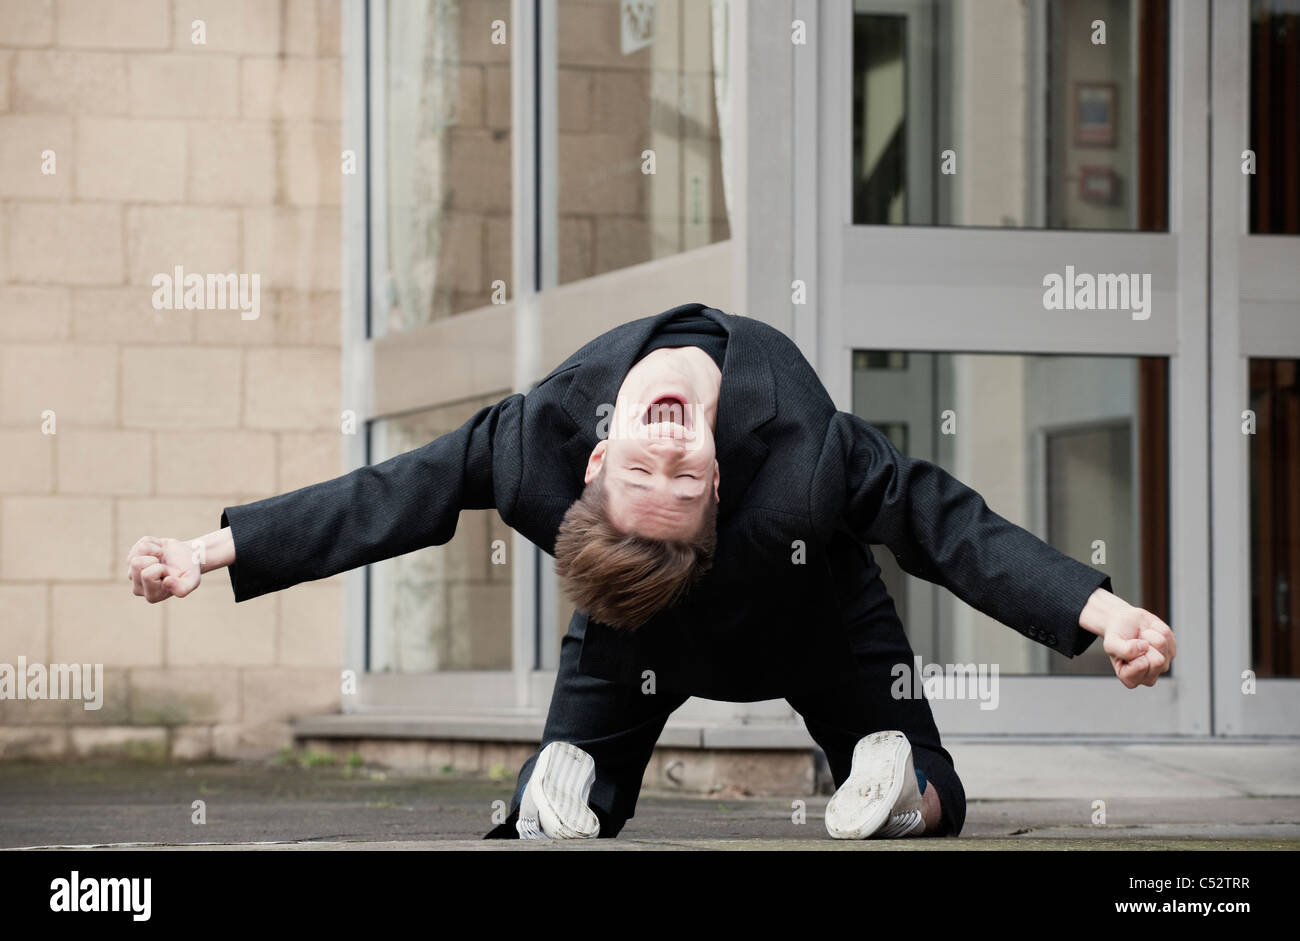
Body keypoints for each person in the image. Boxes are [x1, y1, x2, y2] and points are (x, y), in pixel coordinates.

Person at [125, 302, 1176, 842]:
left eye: (673, 464)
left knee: (930, 780)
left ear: (724, 485)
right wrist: (210, 551)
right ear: (589, 466)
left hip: (812, 615)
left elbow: (947, 526)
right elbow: (385, 499)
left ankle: (890, 786)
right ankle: (565, 789)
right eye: (652, 463)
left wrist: (1099, 611)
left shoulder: (807, 461)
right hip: (635, 623)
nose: (669, 443)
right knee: (572, 799)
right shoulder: (531, 439)